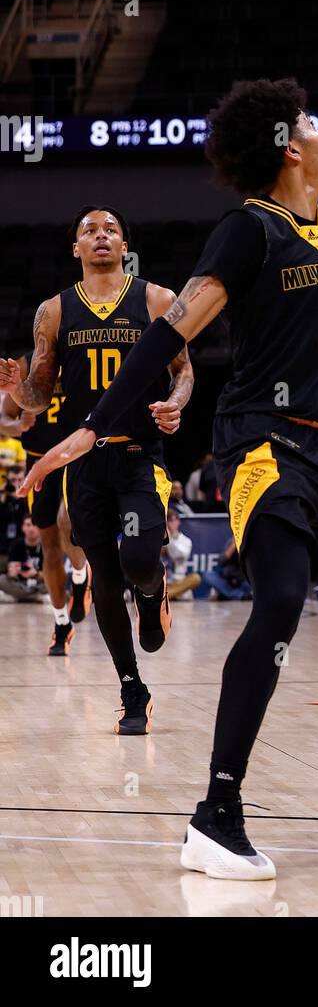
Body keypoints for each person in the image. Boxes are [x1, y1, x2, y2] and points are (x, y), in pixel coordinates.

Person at [22, 0, 318, 882]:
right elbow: (167, 337)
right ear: (288, 147)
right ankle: (217, 812)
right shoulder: (249, 233)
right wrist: (90, 430)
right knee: (280, 603)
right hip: (263, 446)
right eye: (316, 124)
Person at [0, 207, 194, 730]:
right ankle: (133, 690)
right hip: (84, 464)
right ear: (76, 249)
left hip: (138, 455)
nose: (101, 236)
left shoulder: (157, 299)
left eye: (110, 229)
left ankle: (152, 593)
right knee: (104, 579)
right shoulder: (54, 312)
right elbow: (39, 396)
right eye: (90, 231)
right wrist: (16, 389)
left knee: (136, 559)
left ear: (124, 242)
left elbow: (184, 371)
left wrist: (175, 402)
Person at [1, 360, 92, 655]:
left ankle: (80, 577)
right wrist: (18, 425)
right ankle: (61, 623)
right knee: (49, 546)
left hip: (74, 460)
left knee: (67, 522)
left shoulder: (79, 354)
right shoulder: (26, 365)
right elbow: (4, 419)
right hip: (38, 463)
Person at [0, 513, 47, 604]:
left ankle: (18, 597)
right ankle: (36, 597)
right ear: (22, 527)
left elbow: (51, 575)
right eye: (28, 525)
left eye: (34, 525)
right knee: (2, 579)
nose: (31, 528)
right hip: (20, 583)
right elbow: (11, 573)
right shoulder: (16, 544)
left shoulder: (47, 547)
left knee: (55, 584)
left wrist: (36, 574)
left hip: (39, 583)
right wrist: (14, 572)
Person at [164, 508, 201, 600]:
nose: (172, 523)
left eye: (174, 520)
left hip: (179, 579)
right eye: (169, 521)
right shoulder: (160, 540)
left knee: (195, 578)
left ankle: (167, 596)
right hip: (163, 579)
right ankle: (170, 595)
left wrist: (169, 539)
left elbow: (180, 554)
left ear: (179, 521)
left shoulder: (186, 540)